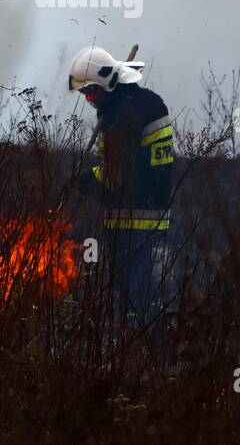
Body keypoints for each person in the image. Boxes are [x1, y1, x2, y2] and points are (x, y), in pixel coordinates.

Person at [67, 46, 174, 355]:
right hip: (151, 208)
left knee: (131, 289)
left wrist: (87, 180)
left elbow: (119, 169)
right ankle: (146, 346)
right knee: (142, 286)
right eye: (85, 94)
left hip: (133, 213)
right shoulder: (142, 102)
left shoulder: (122, 115)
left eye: (91, 92)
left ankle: (134, 352)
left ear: (109, 82)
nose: (89, 99)